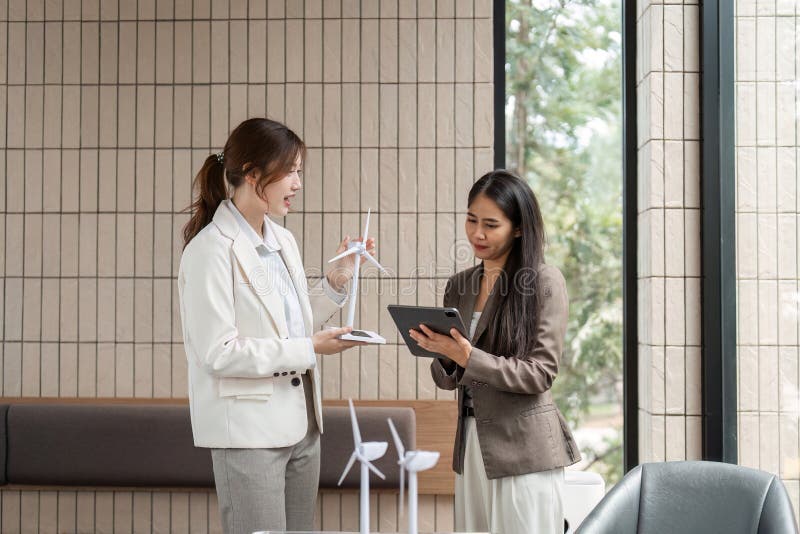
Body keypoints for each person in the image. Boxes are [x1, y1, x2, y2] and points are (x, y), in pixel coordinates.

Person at [178, 118, 372, 534]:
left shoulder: (283, 241)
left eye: (299, 171)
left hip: (302, 428)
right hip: (248, 435)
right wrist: (310, 349)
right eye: (290, 171)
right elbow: (219, 353)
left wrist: (336, 279)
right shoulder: (209, 251)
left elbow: (290, 327)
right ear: (252, 174)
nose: (298, 183)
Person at [410, 170, 580, 534]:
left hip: (524, 450)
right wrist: (442, 353)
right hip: (471, 443)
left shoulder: (544, 281)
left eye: (491, 225)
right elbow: (448, 378)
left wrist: (466, 357)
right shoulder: (460, 285)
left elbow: (540, 374)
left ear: (518, 229)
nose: (477, 234)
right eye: (471, 220)